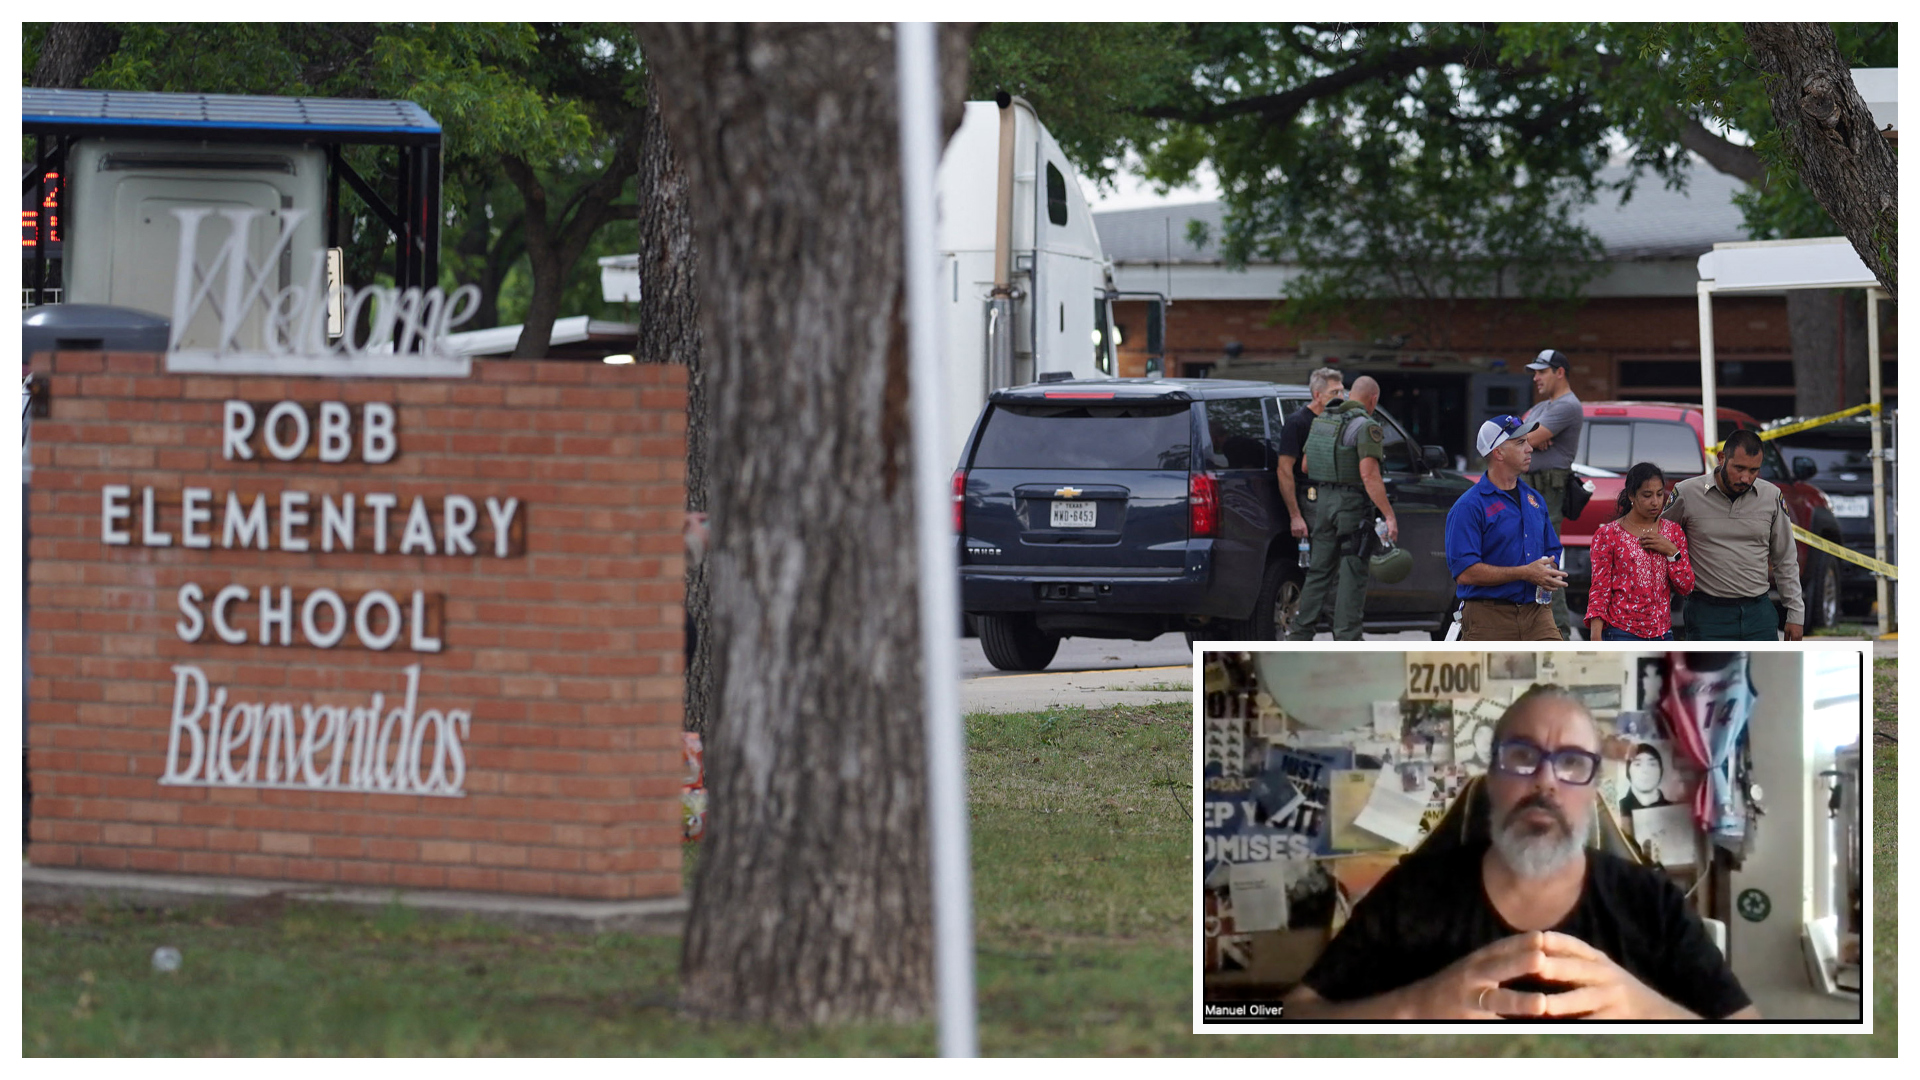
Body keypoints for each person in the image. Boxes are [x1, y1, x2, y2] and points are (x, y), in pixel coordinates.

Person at [1280, 687, 1758, 1020]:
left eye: (1572, 762)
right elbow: (1293, 1017)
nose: (1546, 780)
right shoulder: (1412, 892)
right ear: (1492, 778)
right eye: (1523, 756)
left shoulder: (1652, 903)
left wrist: (1644, 1009)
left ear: (1593, 789)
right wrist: (1416, 1007)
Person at [1661, 429, 1805, 641]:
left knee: (1761, 674)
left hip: (1759, 614)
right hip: (1706, 615)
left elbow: (1785, 559)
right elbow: (1659, 543)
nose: (1746, 478)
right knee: (1708, 675)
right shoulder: (1687, 493)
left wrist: (1795, 614)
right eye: (1739, 468)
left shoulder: (1771, 496)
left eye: (1754, 470)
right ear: (1721, 458)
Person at [1286, 375, 1396, 641]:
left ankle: (1299, 635)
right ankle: (1348, 639)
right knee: (1351, 572)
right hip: (1351, 507)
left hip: (1321, 504)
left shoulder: (1323, 420)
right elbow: (1369, 475)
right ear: (1374, 399)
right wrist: (1389, 515)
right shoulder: (1366, 426)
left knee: (1318, 572)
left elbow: (1305, 466)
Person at [1444, 416, 1565, 641]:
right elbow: (1465, 572)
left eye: (1528, 441)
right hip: (1488, 617)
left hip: (1538, 613)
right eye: (1520, 443)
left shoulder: (1534, 499)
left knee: (1558, 673)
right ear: (1498, 453)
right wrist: (1526, 573)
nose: (1530, 449)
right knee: (1490, 677)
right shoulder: (1468, 506)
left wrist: (1549, 569)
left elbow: (1553, 548)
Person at [1585, 462, 1693, 641]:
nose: (1656, 502)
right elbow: (1600, 589)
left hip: (1662, 634)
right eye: (1647, 495)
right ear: (1631, 495)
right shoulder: (1608, 535)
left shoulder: (1672, 532)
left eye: (1660, 494)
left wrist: (1672, 552)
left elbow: (1686, 587)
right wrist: (1595, 635)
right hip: (1620, 632)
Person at [1520, 349, 1584, 639]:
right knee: (1525, 559)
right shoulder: (1542, 407)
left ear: (1559, 372)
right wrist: (1531, 436)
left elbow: (1522, 438)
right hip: (1529, 487)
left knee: (1545, 561)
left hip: (1547, 490)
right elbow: (1516, 433)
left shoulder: (1567, 405)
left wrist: (1530, 437)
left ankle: (1558, 631)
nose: (1535, 378)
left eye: (1541, 371)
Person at [1275, 368, 1346, 553]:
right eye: (1335, 392)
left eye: (1342, 390)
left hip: (1338, 497)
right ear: (1317, 395)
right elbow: (1284, 470)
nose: (1341, 396)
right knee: (1323, 558)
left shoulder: (1338, 420)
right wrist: (1295, 516)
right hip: (1312, 498)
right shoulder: (1298, 423)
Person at [1619, 743, 1673, 818]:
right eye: (1638, 764)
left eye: (1652, 764)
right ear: (1628, 771)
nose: (1645, 770)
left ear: (1661, 771)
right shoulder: (1619, 809)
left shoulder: (1673, 809)